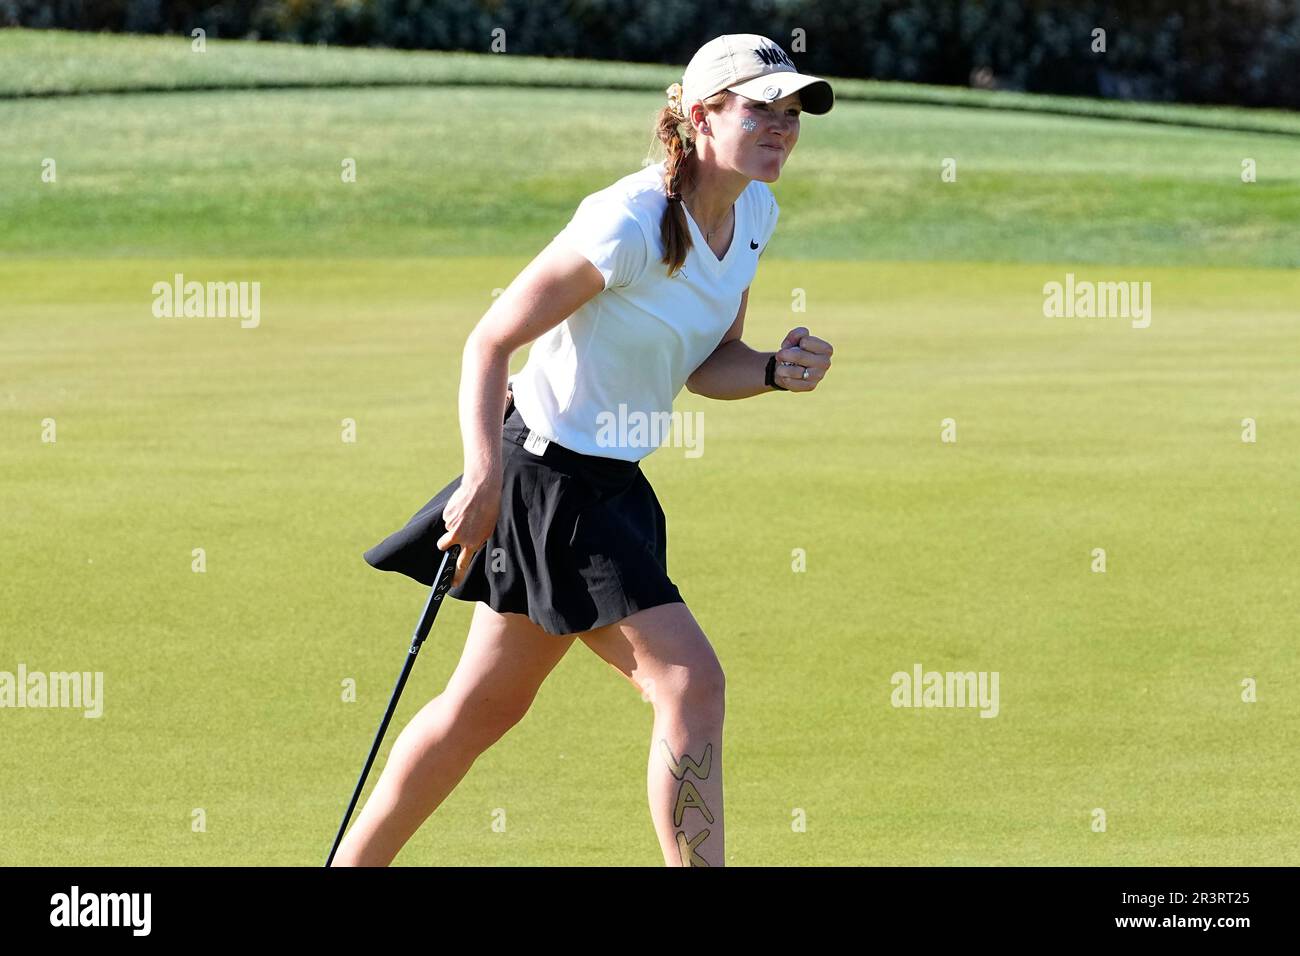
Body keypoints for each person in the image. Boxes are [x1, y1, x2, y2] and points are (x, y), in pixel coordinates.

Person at [334, 33, 836, 867]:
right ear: (702, 114)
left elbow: (710, 362)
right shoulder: (629, 218)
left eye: (792, 114)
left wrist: (777, 372)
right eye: (760, 110)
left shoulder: (753, 212)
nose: (781, 127)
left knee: (480, 709)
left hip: (612, 486)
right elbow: (489, 342)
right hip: (545, 477)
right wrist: (485, 478)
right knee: (689, 682)